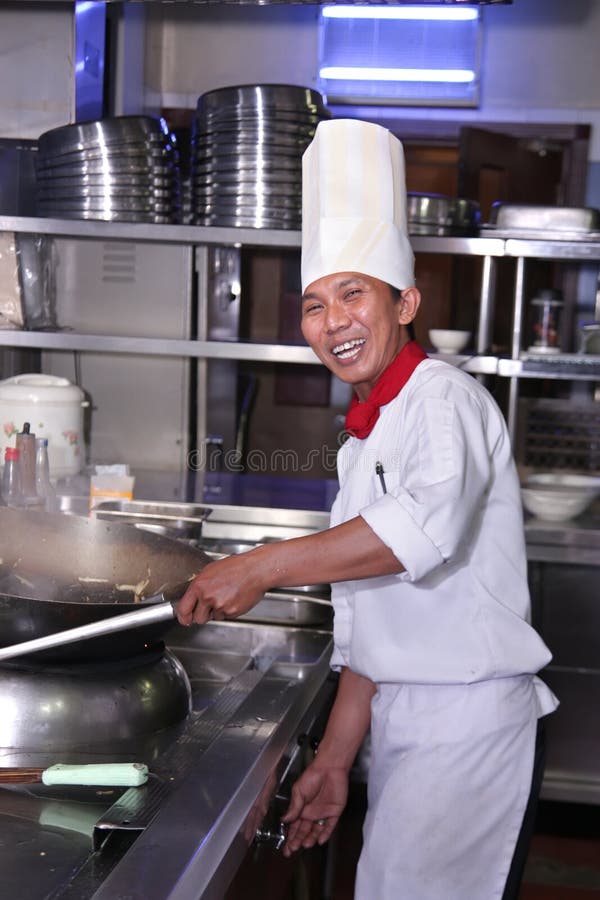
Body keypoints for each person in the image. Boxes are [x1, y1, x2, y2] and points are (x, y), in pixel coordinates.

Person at [176, 118, 558, 900]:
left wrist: (263, 566)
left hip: (466, 726)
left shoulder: (443, 401)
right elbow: (374, 615)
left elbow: (417, 533)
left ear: (407, 301)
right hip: (410, 724)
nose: (333, 321)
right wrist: (335, 759)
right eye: (314, 304)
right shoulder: (368, 434)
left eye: (354, 293)